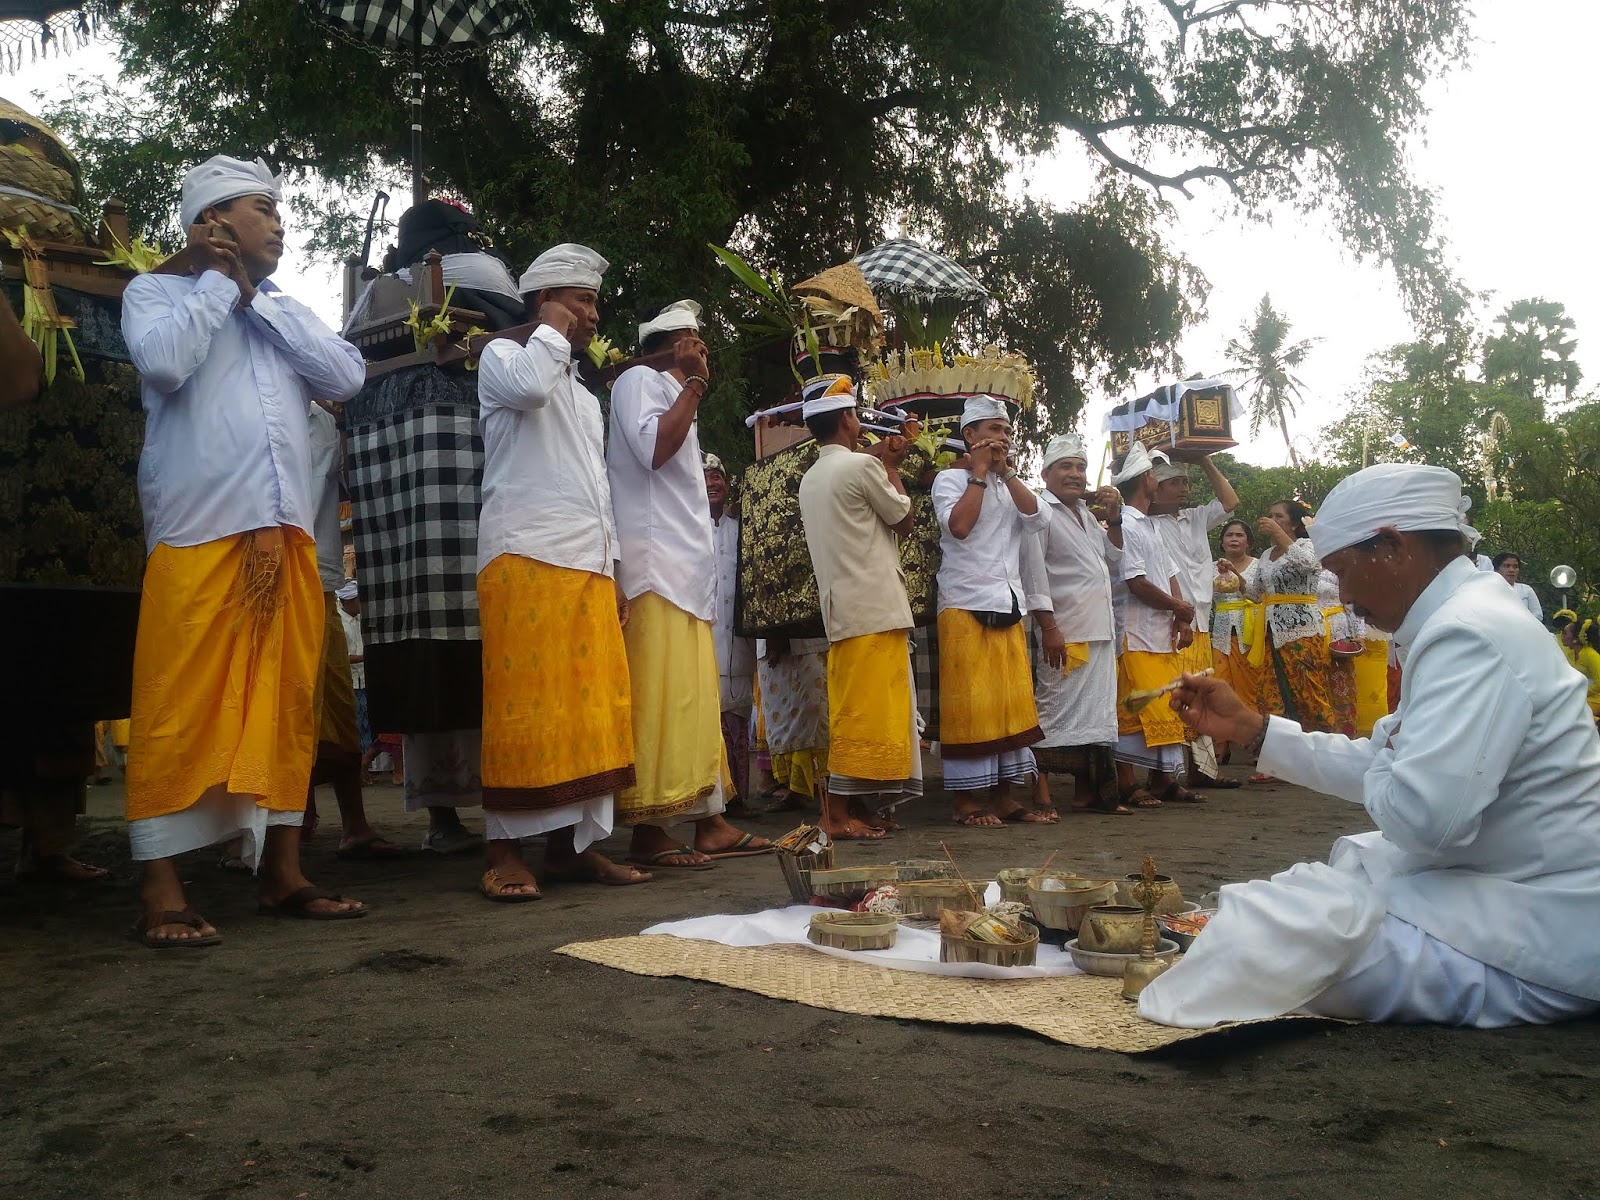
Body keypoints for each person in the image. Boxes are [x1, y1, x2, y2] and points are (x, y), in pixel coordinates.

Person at [1144, 462, 1600, 1028]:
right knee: (1304, 891)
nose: (1344, 594)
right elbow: (1389, 768)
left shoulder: (1469, 633)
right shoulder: (1465, 616)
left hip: (1539, 934)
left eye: (1340, 569)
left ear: (1391, 546)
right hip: (1504, 885)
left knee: (1264, 927)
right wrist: (1253, 730)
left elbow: (1424, 820)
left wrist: (1391, 760)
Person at [120, 154, 368, 945]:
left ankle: (281, 873)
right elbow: (162, 363)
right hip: (200, 531)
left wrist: (257, 298)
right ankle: (162, 884)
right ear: (214, 222)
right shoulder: (155, 293)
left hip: (286, 534)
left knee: (283, 707)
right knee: (177, 706)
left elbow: (346, 375)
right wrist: (219, 285)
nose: (280, 221)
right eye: (263, 207)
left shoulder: (280, 310)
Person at [470, 243, 650, 899]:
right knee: (527, 709)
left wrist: (615, 568)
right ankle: (504, 851)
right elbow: (525, 388)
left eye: (595, 302)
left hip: (586, 563)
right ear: (546, 299)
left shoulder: (581, 393)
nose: (594, 316)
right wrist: (550, 328)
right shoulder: (504, 357)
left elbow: (596, 487)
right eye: (583, 300)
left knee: (587, 712)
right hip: (524, 553)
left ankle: (571, 851)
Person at [607, 300, 771, 868]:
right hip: (653, 569)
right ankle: (649, 830)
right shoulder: (636, 381)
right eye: (693, 342)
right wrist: (694, 386)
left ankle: (710, 820)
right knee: (661, 699)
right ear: (670, 344)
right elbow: (654, 450)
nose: (702, 352)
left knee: (694, 704)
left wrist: (690, 390)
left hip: (684, 573)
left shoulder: (676, 394)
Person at [797, 375, 923, 838]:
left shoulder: (813, 477)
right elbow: (904, 518)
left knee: (864, 708)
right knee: (866, 714)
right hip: (874, 607)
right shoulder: (861, 470)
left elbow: (853, 477)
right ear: (848, 419)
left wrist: (881, 457)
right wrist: (892, 465)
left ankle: (863, 806)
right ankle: (835, 815)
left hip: (845, 609)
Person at [931, 395, 1049, 825]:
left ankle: (1005, 797)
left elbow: (1039, 520)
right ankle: (968, 802)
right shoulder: (947, 480)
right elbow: (959, 528)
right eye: (994, 430)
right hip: (964, 602)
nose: (1003, 438)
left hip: (1008, 602)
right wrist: (978, 474)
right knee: (972, 707)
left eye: (1007, 431)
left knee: (1009, 704)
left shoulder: (1010, 485)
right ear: (970, 436)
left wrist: (1007, 474)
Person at [302, 401, 402, 859]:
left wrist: (347, 419)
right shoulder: (249, 401)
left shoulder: (325, 420)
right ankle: (289, 821)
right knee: (281, 709)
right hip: (263, 567)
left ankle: (354, 824)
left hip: (317, 575)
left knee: (337, 709)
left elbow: (352, 480)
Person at [1020, 431, 1130, 814]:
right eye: (1066, 467)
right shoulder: (1040, 511)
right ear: (1046, 473)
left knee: (1097, 714)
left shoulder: (1086, 514)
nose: (1076, 474)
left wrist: (1114, 517)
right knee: (1051, 709)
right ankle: (1041, 795)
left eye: (1081, 467)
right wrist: (1049, 627)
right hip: (1064, 629)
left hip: (1099, 626)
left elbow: (1113, 561)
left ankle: (1091, 793)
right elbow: (1033, 573)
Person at [1110, 441, 1198, 808]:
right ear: (1146, 479)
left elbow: (1169, 572)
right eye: (1153, 474)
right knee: (1134, 707)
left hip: (1160, 630)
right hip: (1135, 629)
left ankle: (1162, 781)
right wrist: (1179, 607)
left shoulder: (1149, 525)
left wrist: (1180, 613)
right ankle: (1127, 784)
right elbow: (1137, 582)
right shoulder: (1127, 524)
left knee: (1164, 704)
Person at [1148, 453, 1239, 788]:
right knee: (1171, 695)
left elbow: (1230, 501)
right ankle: (1166, 775)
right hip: (1168, 620)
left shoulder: (1197, 517)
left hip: (1200, 619)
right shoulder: (1146, 522)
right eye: (1175, 482)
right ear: (1154, 488)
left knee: (1199, 695)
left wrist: (1205, 462)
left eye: (1185, 481)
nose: (1183, 488)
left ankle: (1202, 771)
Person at [1243, 500, 1335, 733]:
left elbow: (1310, 565)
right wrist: (1233, 576)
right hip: (1270, 633)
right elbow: (1255, 593)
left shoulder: (1308, 545)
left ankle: (1321, 750)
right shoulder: (1266, 554)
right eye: (1270, 516)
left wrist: (1278, 534)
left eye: (1279, 517)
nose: (1272, 520)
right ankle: (1279, 760)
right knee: (1271, 695)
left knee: (1308, 692)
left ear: (1293, 523)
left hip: (1302, 631)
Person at [706, 453, 757, 815]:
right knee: (709, 722)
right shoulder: (689, 526)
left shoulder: (741, 529)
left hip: (738, 643)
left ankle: (738, 796)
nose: (712, 484)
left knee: (738, 722)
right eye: (705, 478)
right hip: (704, 642)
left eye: (717, 478)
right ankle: (713, 798)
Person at [1210, 518, 1275, 760]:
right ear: (1222, 542)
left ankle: (1257, 746)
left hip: (1249, 635)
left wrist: (1235, 574)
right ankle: (1221, 744)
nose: (1234, 539)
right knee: (1219, 686)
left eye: (1239, 535)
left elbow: (1259, 597)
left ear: (1249, 541)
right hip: (1220, 634)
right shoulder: (1211, 567)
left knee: (1251, 689)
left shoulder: (1258, 566)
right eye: (1229, 535)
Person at [1492, 552, 1543, 621]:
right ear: (1496, 569)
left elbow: (1538, 614)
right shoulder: (1489, 590)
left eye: (1515, 567)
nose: (1511, 570)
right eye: (1506, 566)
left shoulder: (1526, 590)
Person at [1574, 619, 1600, 721]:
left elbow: (1599, 684)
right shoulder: (1571, 654)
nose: (1561, 636)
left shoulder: (1591, 655)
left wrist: (1580, 691)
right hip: (1581, 695)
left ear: (1575, 638)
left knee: (1574, 710)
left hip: (1595, 697)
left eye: (1565, 633)